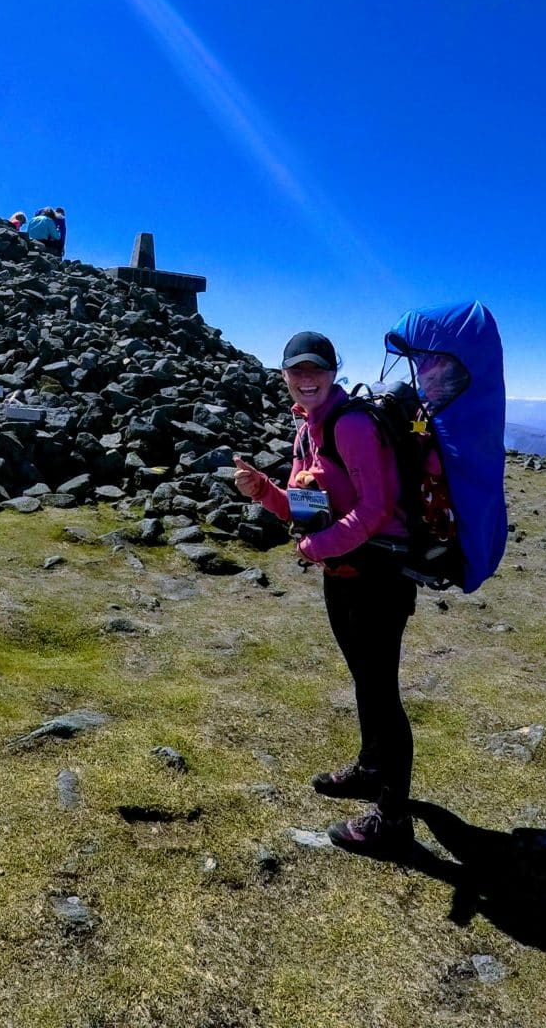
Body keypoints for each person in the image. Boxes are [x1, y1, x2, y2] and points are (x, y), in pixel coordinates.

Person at [234, 330, 418, 857]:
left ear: (334, 372)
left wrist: (318, 547)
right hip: (344, 573)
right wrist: (264, 491)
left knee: (381, 690)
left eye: (316, 368)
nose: (307, 378)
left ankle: (393, 819)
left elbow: (376, 508)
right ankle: (370, 767)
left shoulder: (351, 425)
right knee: (365, 679)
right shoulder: (307, 430)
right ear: (284, 375)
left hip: (380, 575)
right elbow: (305, 508)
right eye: (297, 369)